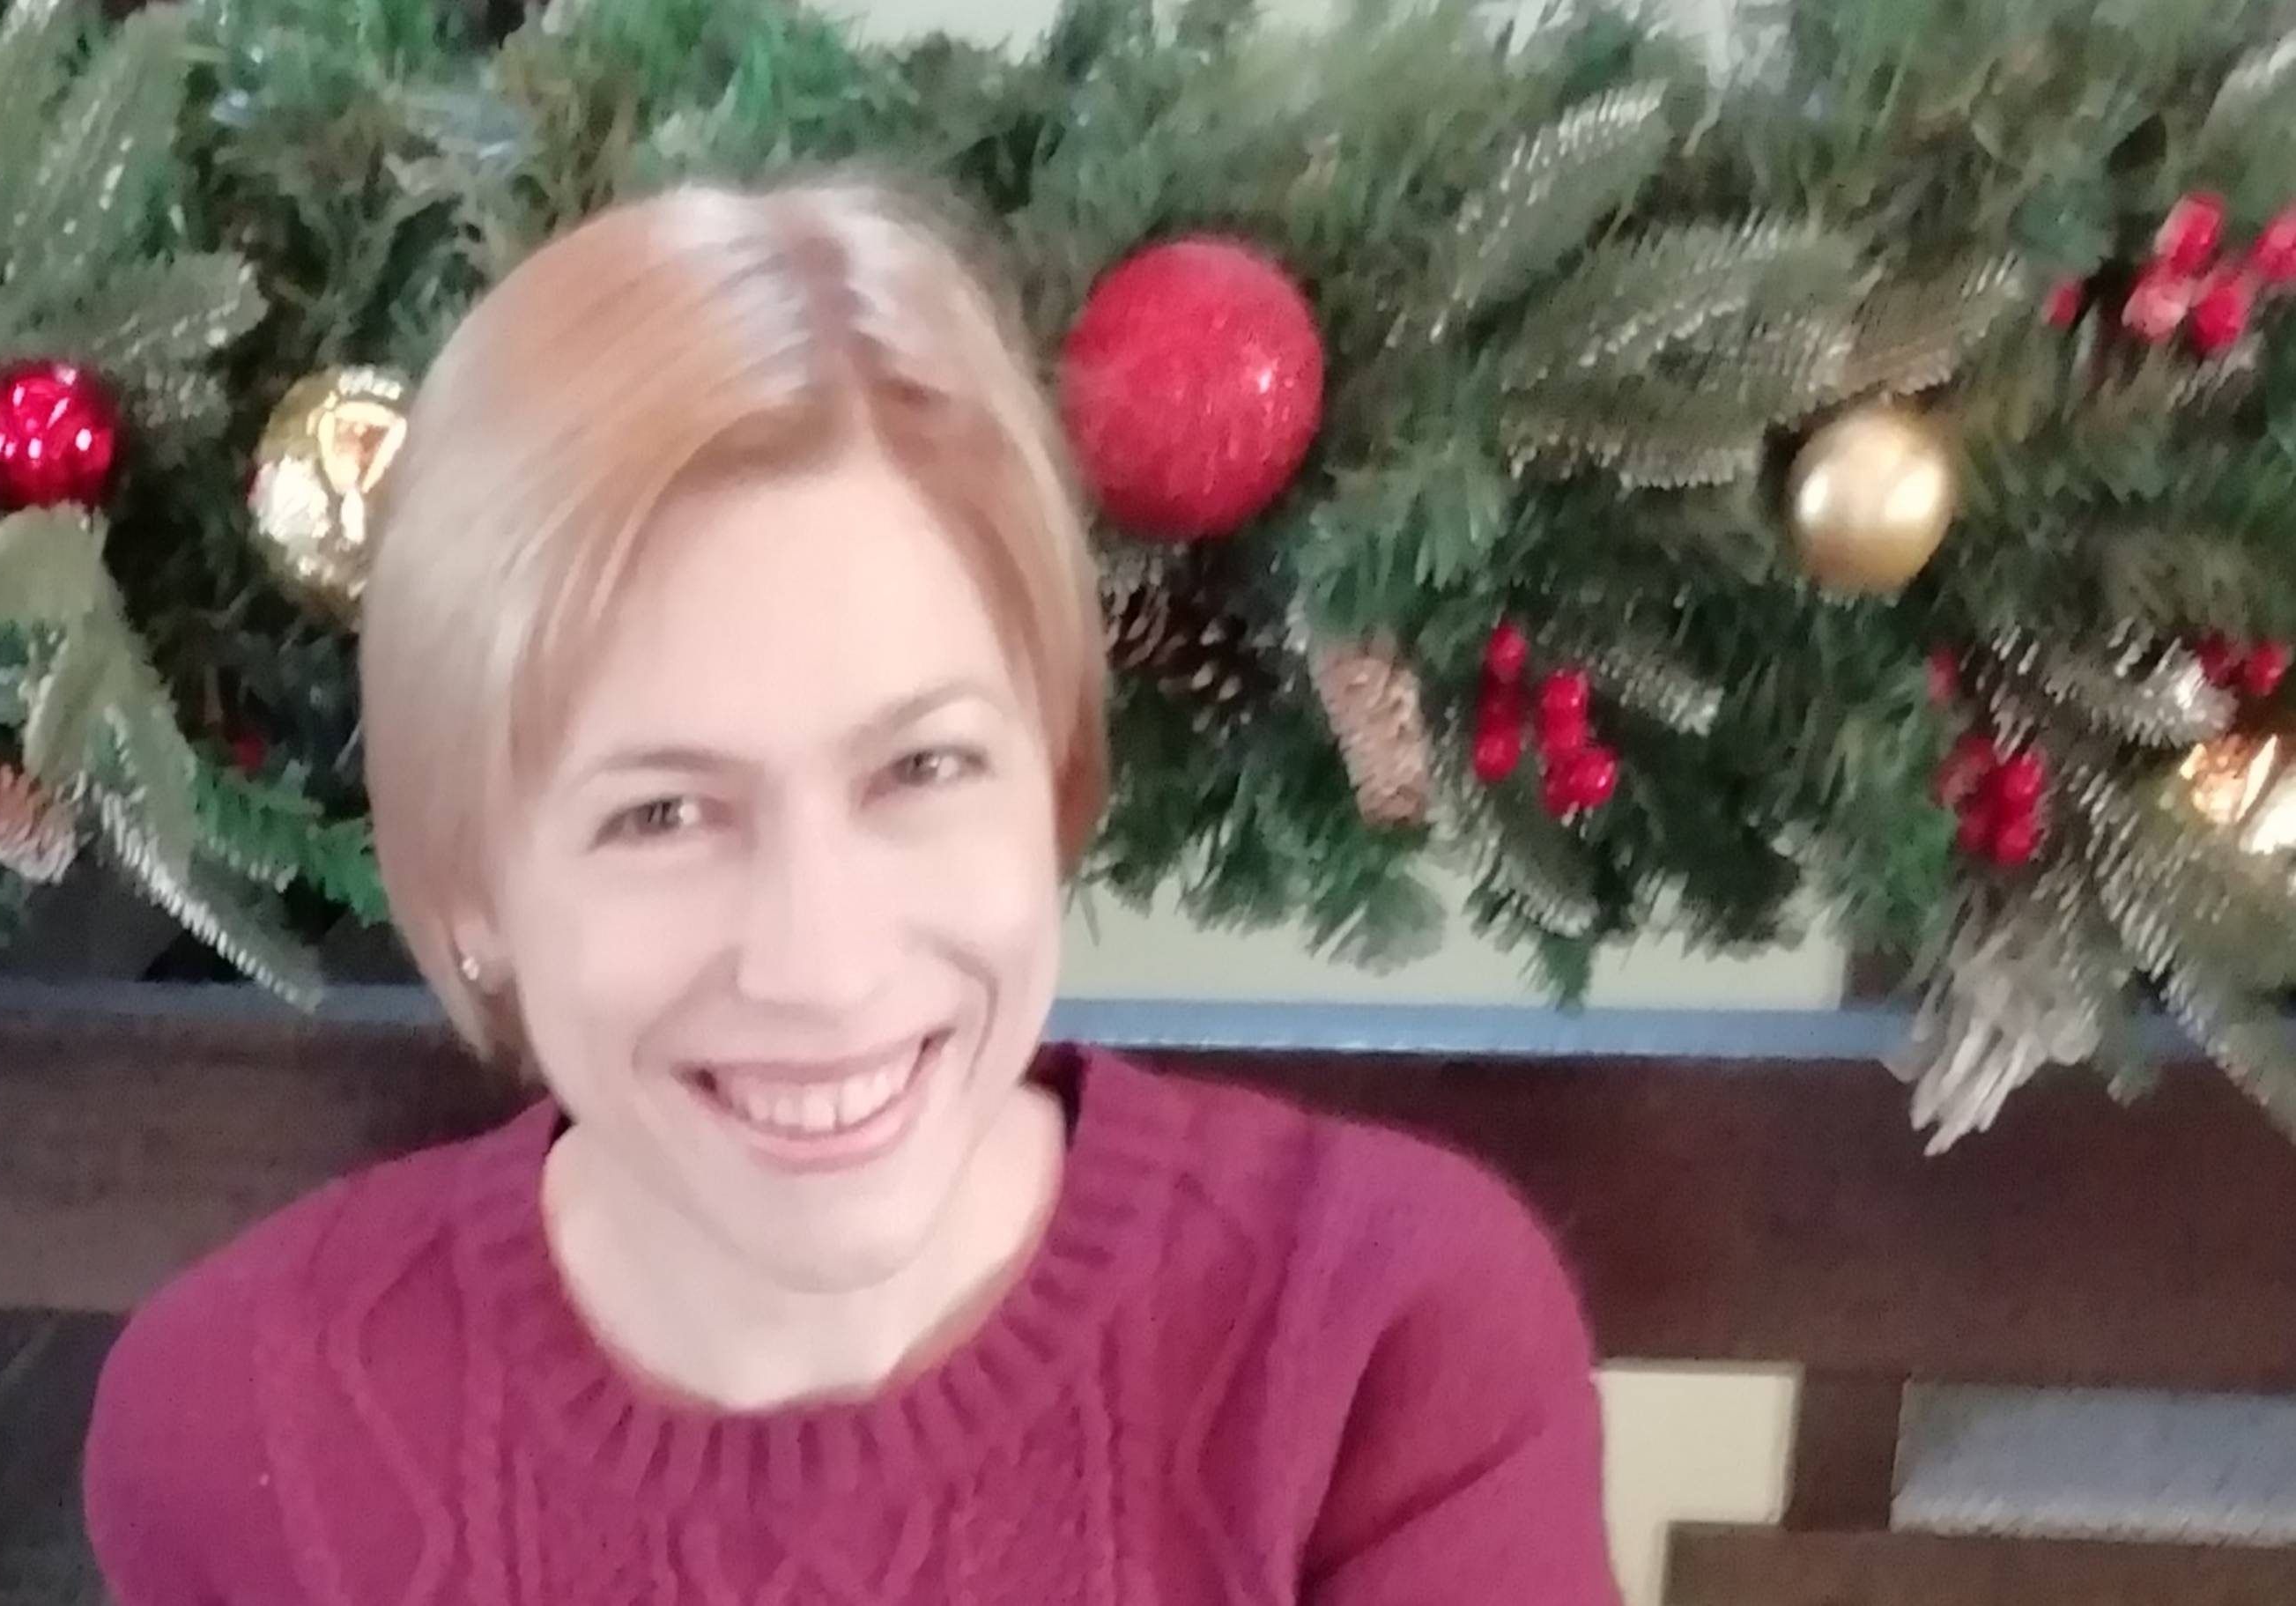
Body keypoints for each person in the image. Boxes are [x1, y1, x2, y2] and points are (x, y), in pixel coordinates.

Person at [83, 180, 1621, 1605]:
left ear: (1052, 781)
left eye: (922, 769)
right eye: (661, 813)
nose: (821, 964)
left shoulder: (1389, 1347)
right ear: (474, 882)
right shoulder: (235, 1433)